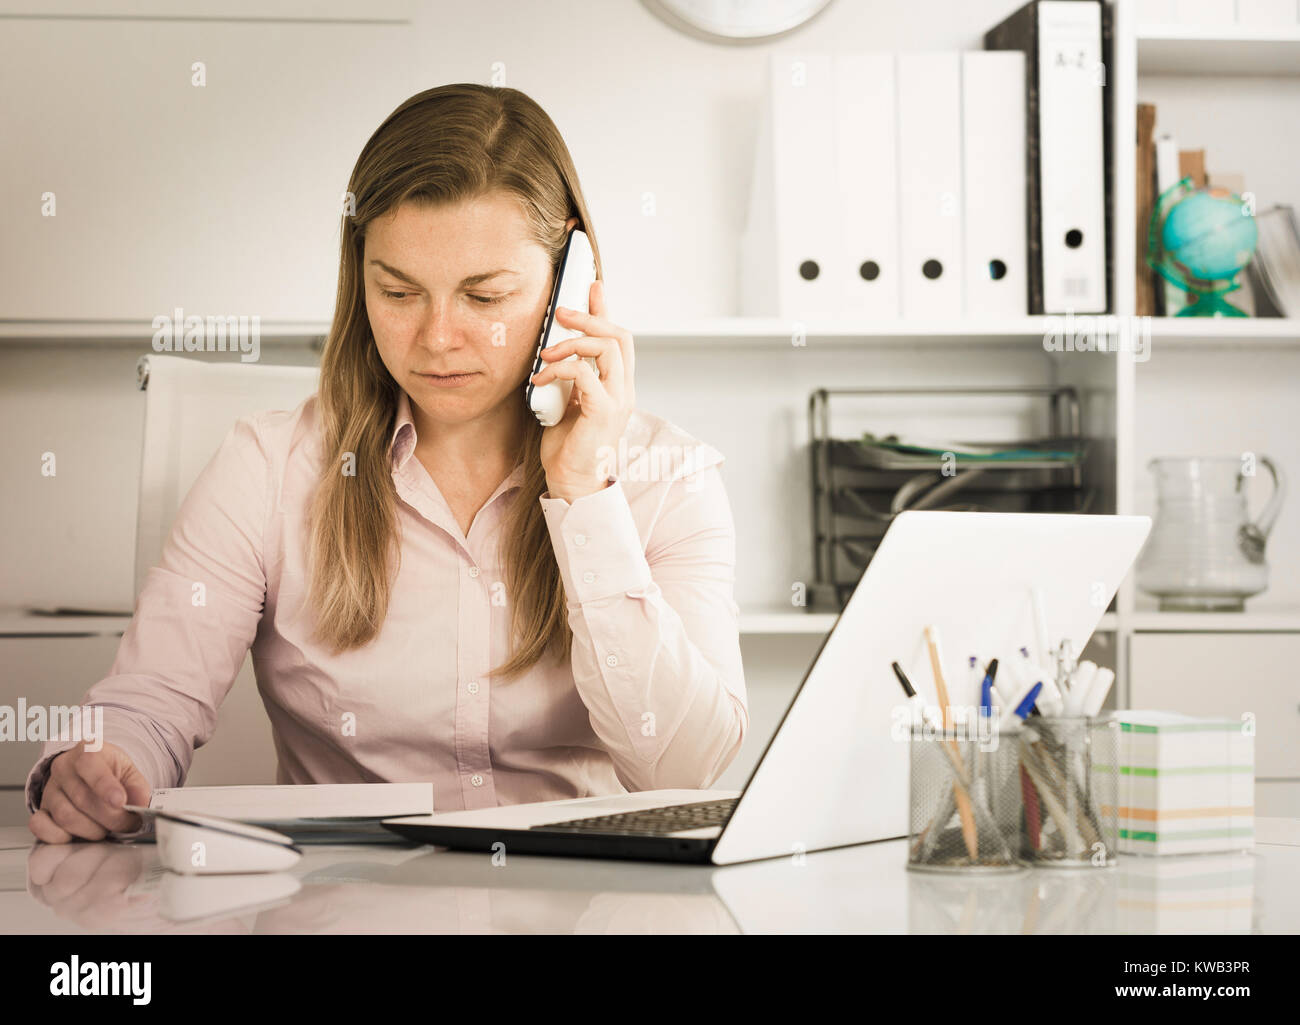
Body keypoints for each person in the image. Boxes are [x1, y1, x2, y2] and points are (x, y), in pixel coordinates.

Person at [27, 83, 747, 844]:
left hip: (583, 911)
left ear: (570, 278)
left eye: (484, 295)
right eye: (398, 290)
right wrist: (99, 762)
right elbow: (148, 702)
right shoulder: (268, 467)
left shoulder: (670, 479)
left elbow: (684, 771)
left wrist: (585, 492)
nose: (438, 337)